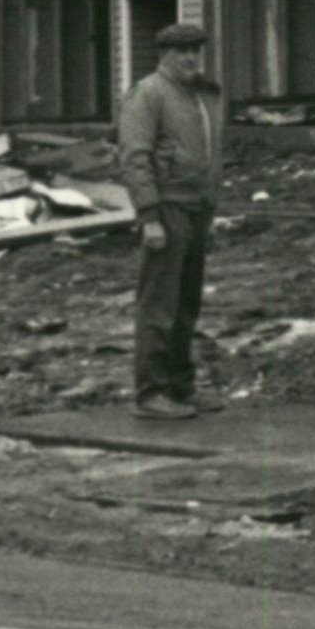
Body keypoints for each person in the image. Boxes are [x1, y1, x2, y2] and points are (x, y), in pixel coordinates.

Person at [117, 21, 225, 420]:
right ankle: (150, 392)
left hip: (196, 210)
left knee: (186, 305)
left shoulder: (201, 96)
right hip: (167, 209)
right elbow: (134, 158)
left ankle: (181, 386)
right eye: (182, 51)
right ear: (163, 55)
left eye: (196, 50)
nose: (191, 58)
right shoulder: (148, 94)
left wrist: (210, 211)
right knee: (159, 305)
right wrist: (149, 217)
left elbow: (209, 158)